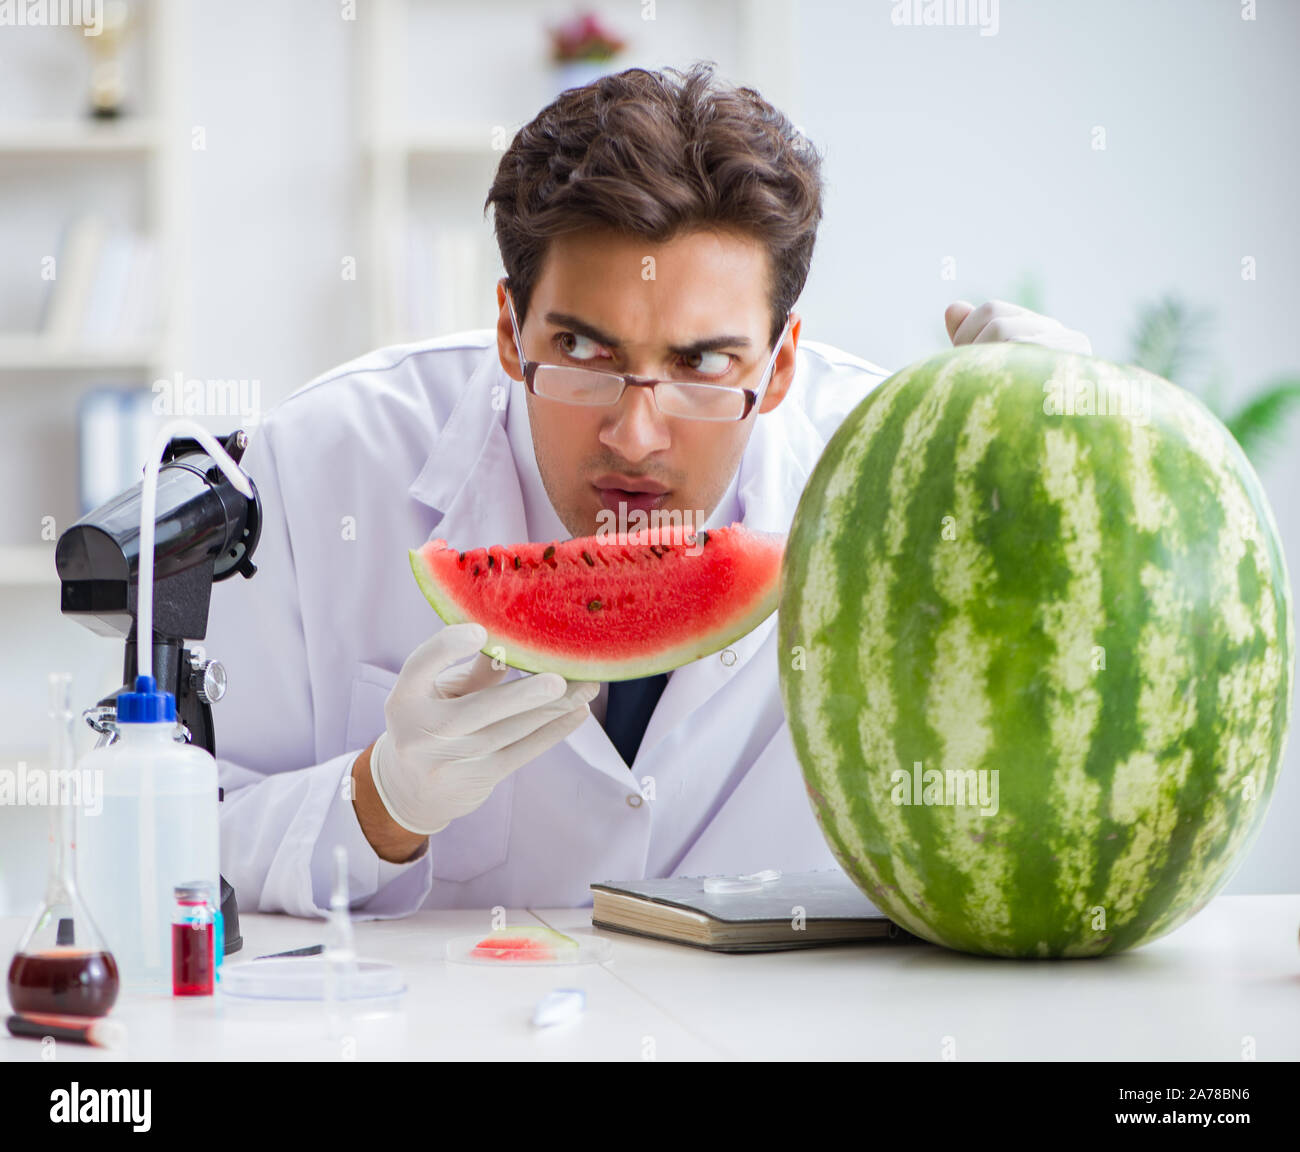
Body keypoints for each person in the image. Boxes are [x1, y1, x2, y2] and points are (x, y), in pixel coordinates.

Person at [207, 63, 1091, 918]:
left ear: (780, 364)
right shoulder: (323, 461)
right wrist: (384, 800)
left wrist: (1076, 495)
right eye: (585, 355)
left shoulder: (896, 479)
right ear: (510, 334)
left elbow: (1044, 809)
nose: (635, 435)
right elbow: (187, 848)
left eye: (704, 363)